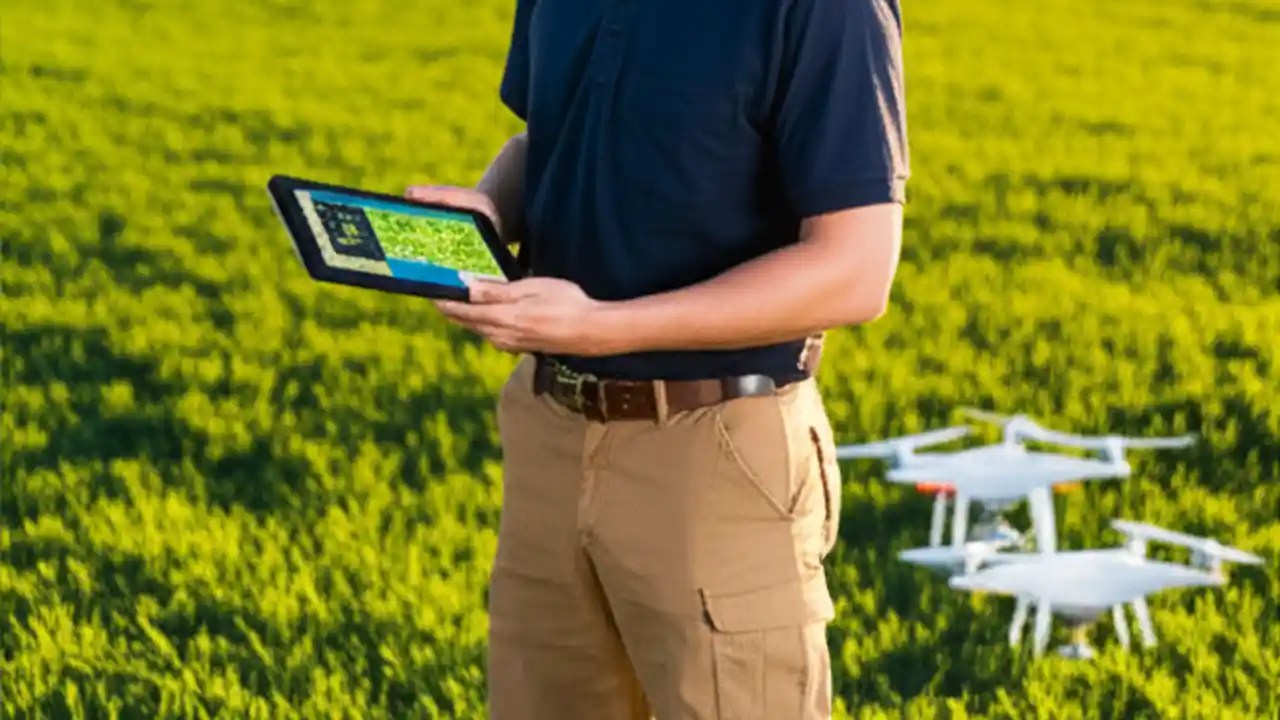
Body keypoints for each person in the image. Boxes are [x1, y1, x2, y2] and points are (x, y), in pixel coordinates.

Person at [407, 0, 908, 716]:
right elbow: (547, 136)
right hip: (551, 432)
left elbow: (854, 269)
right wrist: (489, 209)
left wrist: (605, 327)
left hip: (717, 451)